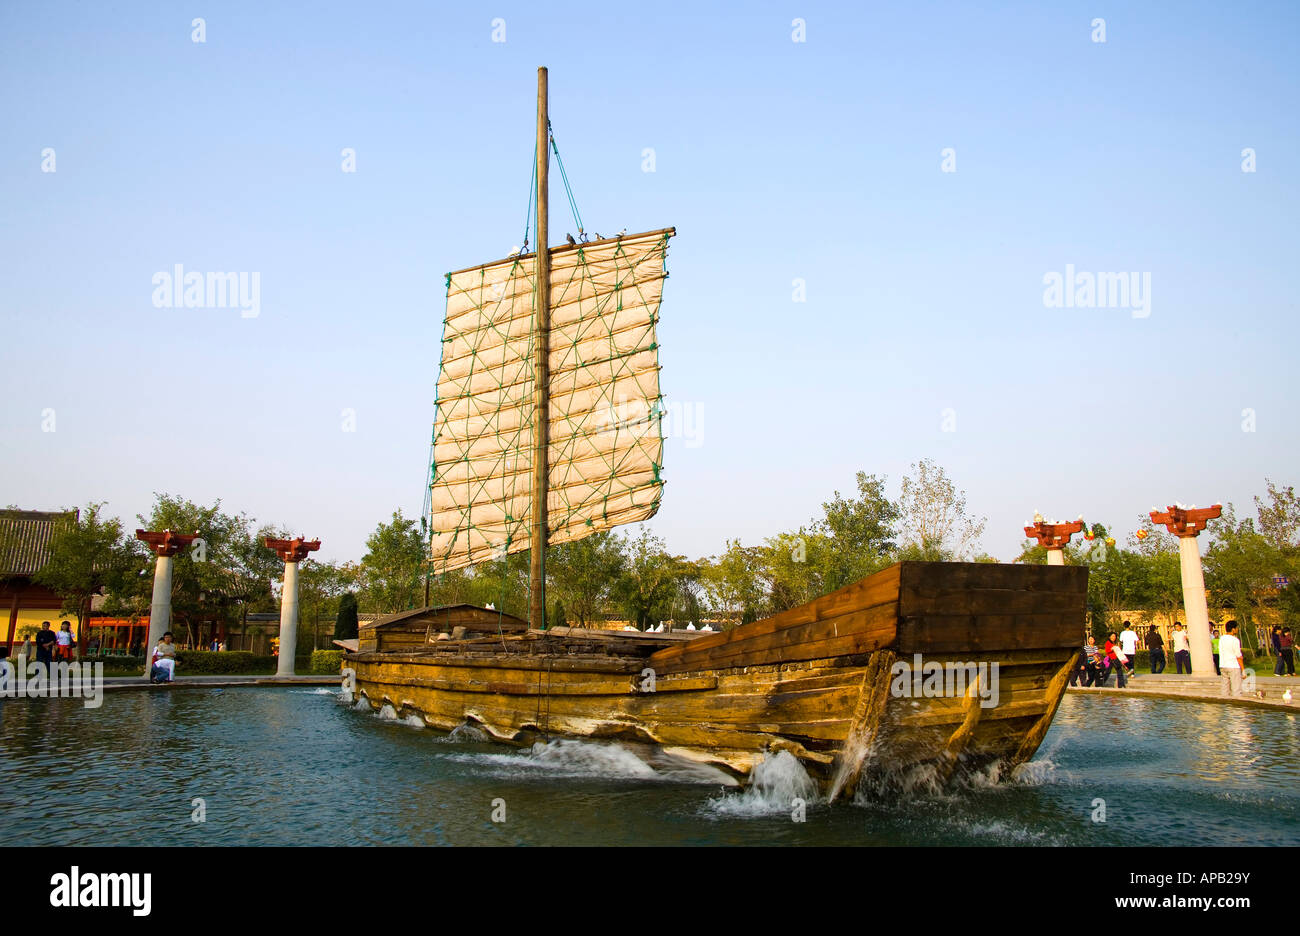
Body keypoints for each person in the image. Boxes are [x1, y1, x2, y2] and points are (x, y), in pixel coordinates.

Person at [1219, 620, 1245, 697]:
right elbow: (1238, 656)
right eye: (1237, 628)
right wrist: (1243, 670)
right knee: (1236, 689)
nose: (1237, 630)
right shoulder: (1235, 640)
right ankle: (1236, 708)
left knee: (1225, 689)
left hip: (1223, 665)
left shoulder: (1222, 639)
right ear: (1233, 629)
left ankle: (1226, 706)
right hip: (1233, 666)